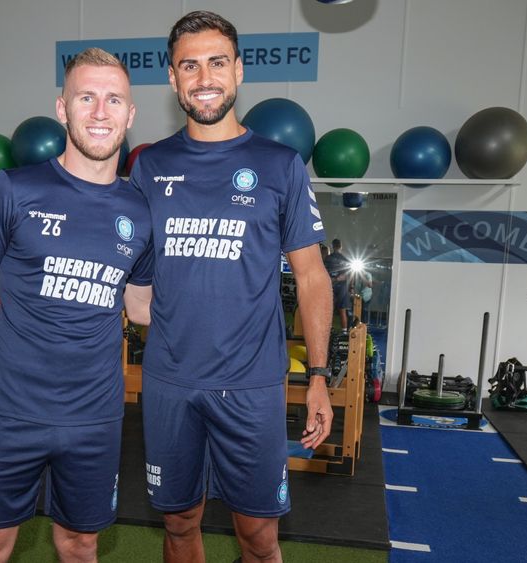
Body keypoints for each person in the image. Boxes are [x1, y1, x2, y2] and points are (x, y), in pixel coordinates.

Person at [128, 11, 333, 563]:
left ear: (239, 70)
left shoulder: (280, 165)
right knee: (178, 523)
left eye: (217, 62)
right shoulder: (149, 167)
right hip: (171, 381)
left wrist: (317, 377)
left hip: (252, 385)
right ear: (173, 80)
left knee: (259, 537)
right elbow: (126, 274)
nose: (204, 77)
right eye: (189, 66)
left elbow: (312, 277)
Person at [0, 48, 153, 563]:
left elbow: (145, 310)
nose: (100, 112)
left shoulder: (140, 211)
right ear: (63, 109)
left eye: (113, 100)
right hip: (11, 409)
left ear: (130, 114)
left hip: (95, 416)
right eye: (86, 97)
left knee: (80, 546)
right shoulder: (14, 190)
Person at [324, 238, 352, 331]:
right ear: (341, 246)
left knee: (329, 309)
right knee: (342, 310)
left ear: (332, 246)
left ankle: (329, 330)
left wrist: (332, 279)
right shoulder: (345, 259)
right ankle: (344, 332)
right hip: (342, 287)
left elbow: (323, 272)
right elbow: (349, 274)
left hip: (330, 285)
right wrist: (351, 287)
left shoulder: (328, 258)